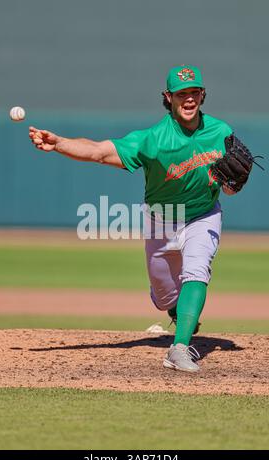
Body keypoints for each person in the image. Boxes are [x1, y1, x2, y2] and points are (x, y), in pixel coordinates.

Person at [29, 64, 236, 373]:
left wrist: (232, 185)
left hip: (202, 215)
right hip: (161, 219)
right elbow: (99, 151)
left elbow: (231, 187)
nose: (189, 99)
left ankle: (179, 348)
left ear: (203, 94)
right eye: (182, 94)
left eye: (195, 92)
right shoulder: (151, 140)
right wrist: (59, 143)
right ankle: (181, 315)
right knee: (165, 295)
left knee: (197, 270)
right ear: (168, 97)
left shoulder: (221, 132)